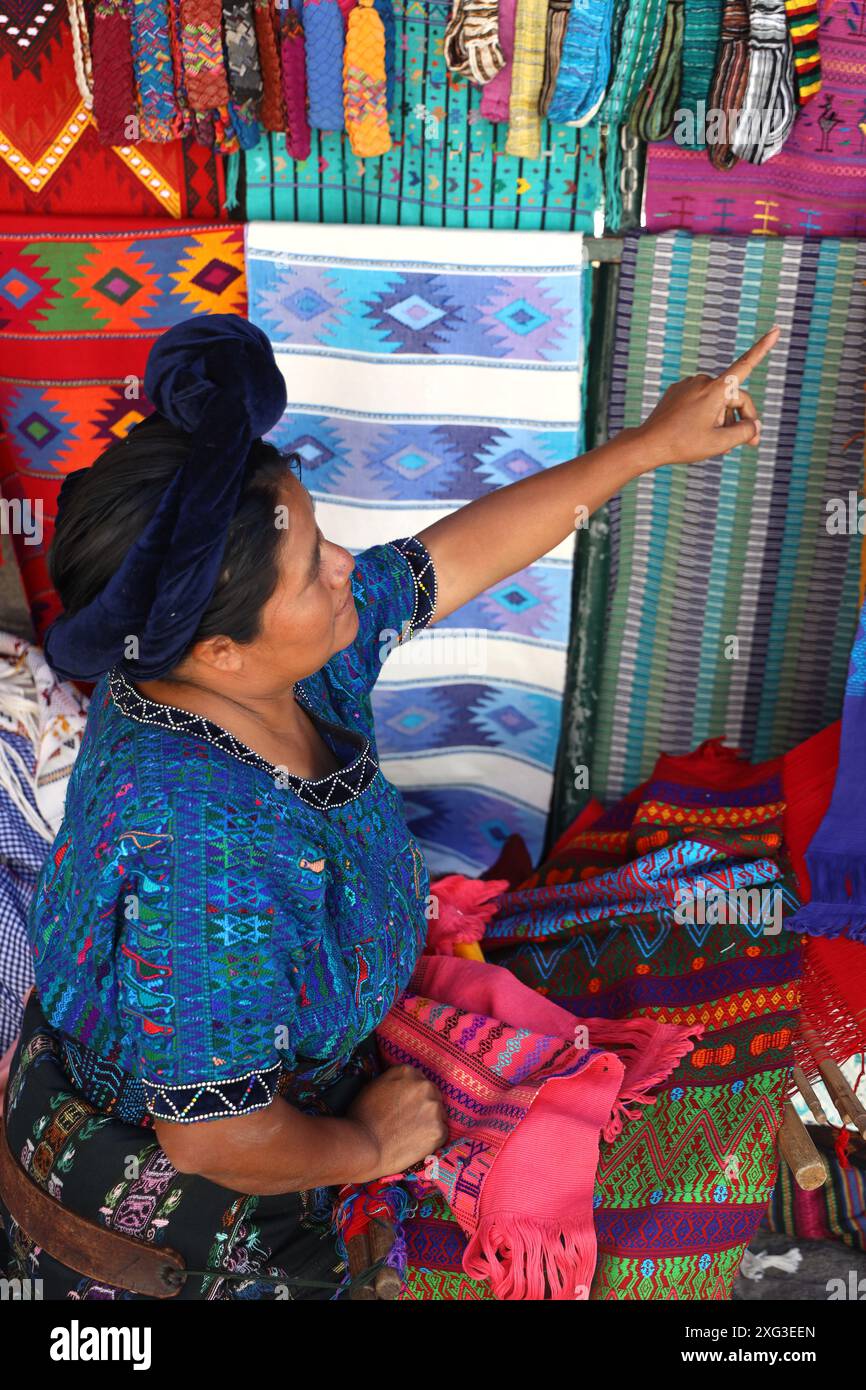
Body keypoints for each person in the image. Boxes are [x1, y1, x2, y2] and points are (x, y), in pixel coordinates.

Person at [0, 314, 777, 1299]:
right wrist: (367, 1141)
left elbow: (445, 562)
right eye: (313, 561)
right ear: (219, 653)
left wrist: (648, 446)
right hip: (185, 1206)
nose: (343, 565)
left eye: (319, 532)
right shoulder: (200, 855)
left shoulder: (262, 669)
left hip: (269, 1070)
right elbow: (213, 1133)